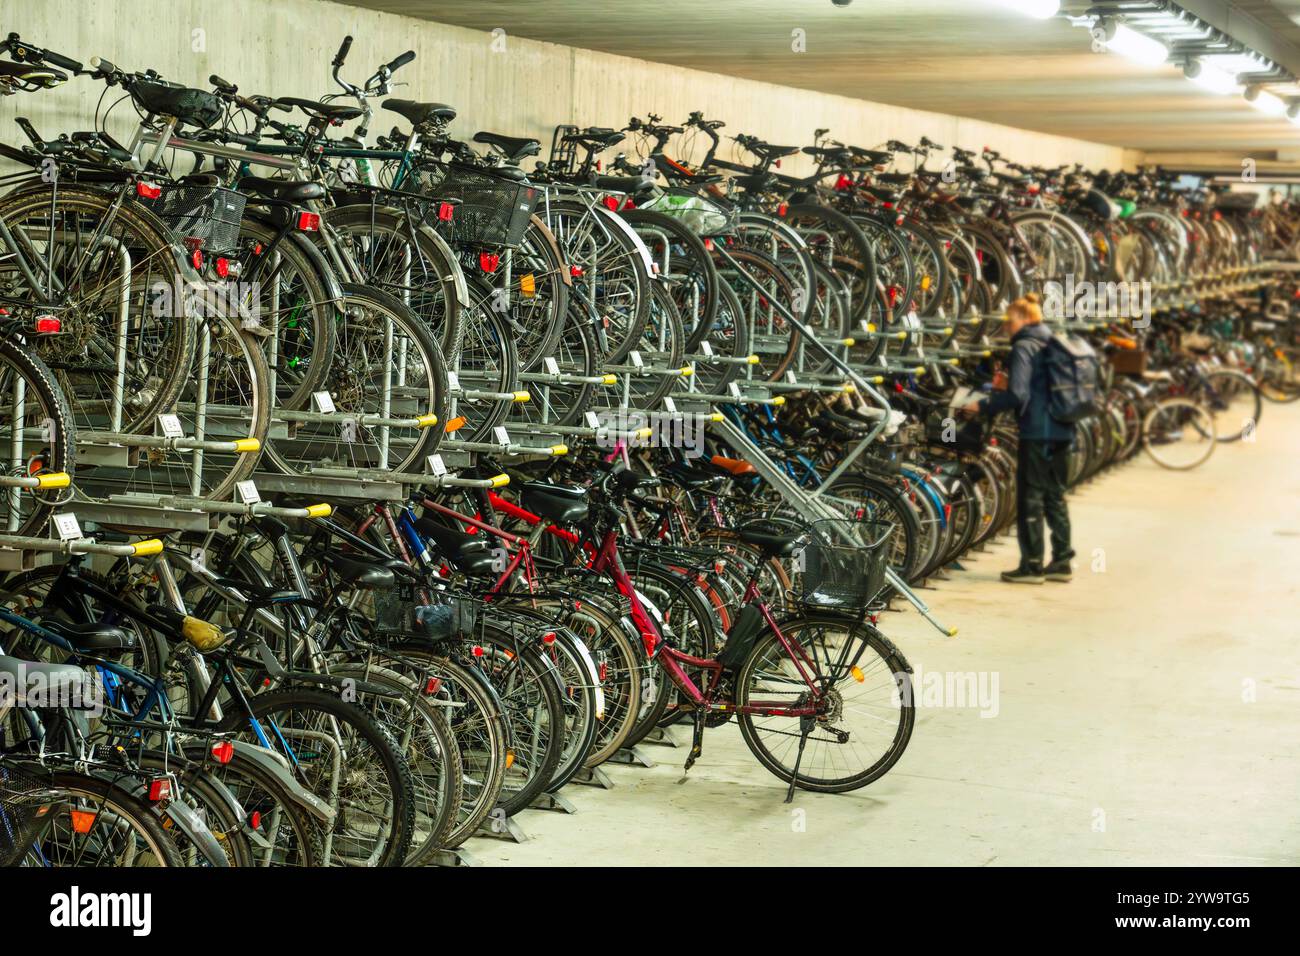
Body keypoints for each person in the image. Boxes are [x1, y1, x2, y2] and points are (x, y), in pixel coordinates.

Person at [961, 293, 1075, 584]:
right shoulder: (1053, 340)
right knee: (1054, 494)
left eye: (1010, 321)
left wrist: (982, 405)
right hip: (1062, 429)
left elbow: (1019, 394)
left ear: (1024, 319)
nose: (1007, 327)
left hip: (1037, 432)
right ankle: (1061, 560)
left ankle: (1032, 565)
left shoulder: (1023, 346)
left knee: (1030, 498)